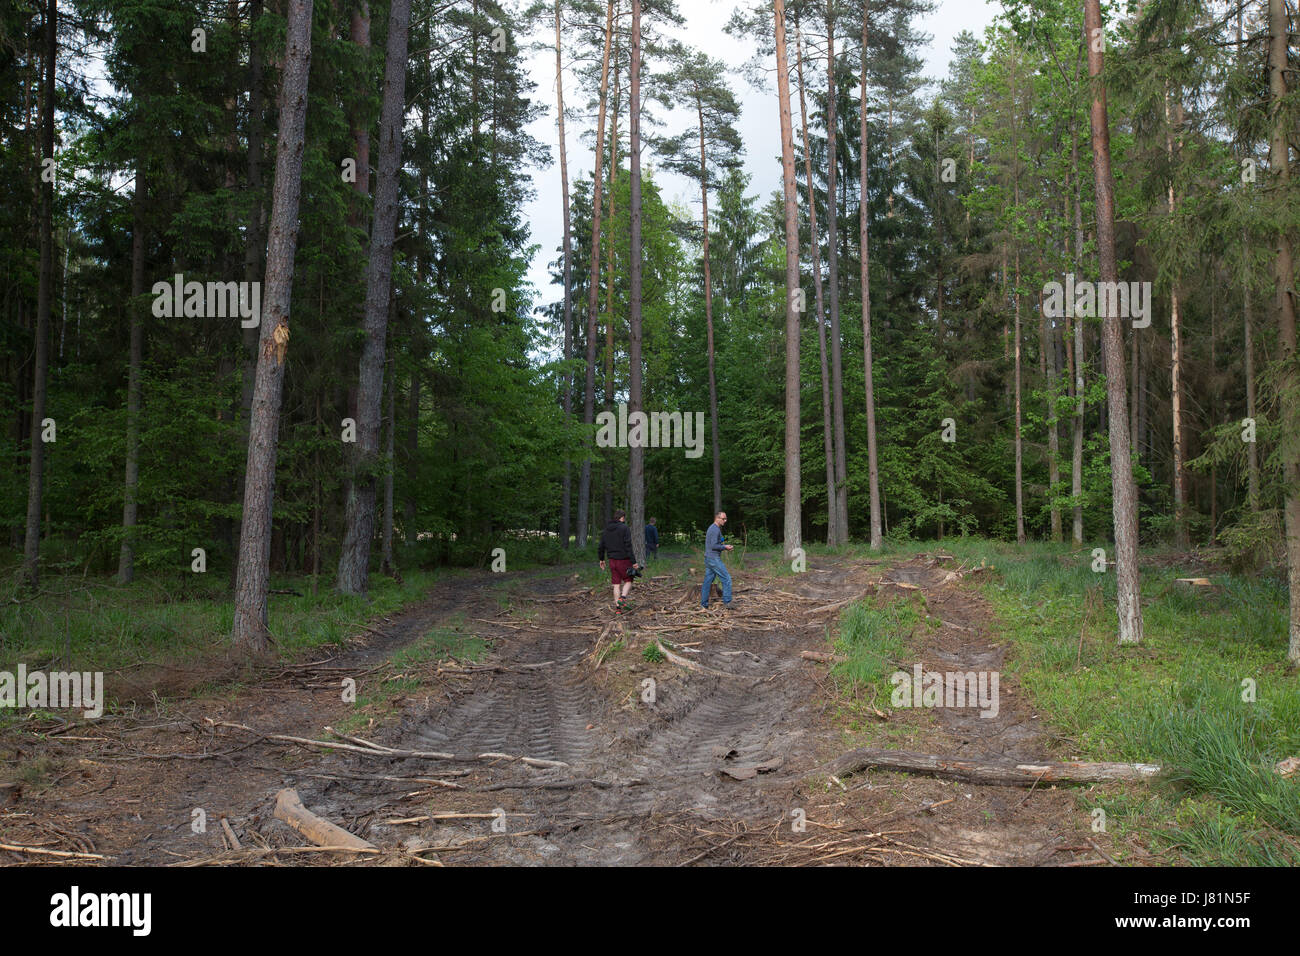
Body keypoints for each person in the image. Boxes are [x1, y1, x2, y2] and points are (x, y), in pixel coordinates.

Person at [598, 510, 637, 613]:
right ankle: (622, 599)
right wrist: (634, 562)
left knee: (616, 584)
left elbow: (601, 546)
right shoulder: (624, 528)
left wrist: (601, 559)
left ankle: (618, 609)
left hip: (612, 561)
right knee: (629, 580)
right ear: (622, 518)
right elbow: (628, 545)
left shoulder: (606, 529)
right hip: (623, 560)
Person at [700, 510, 734, 610]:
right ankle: (728, 602)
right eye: (723, 519)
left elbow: (715, 541)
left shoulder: (713, 528)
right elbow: (713, 545)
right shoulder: (715, 529)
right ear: (717, 518)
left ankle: (704, 604)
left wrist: (722, 541)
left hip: (708, 558)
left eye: (726, 518)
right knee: (726, 578)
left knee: (707, 581)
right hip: (713, 559)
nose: (725, 520)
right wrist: (725, 547)